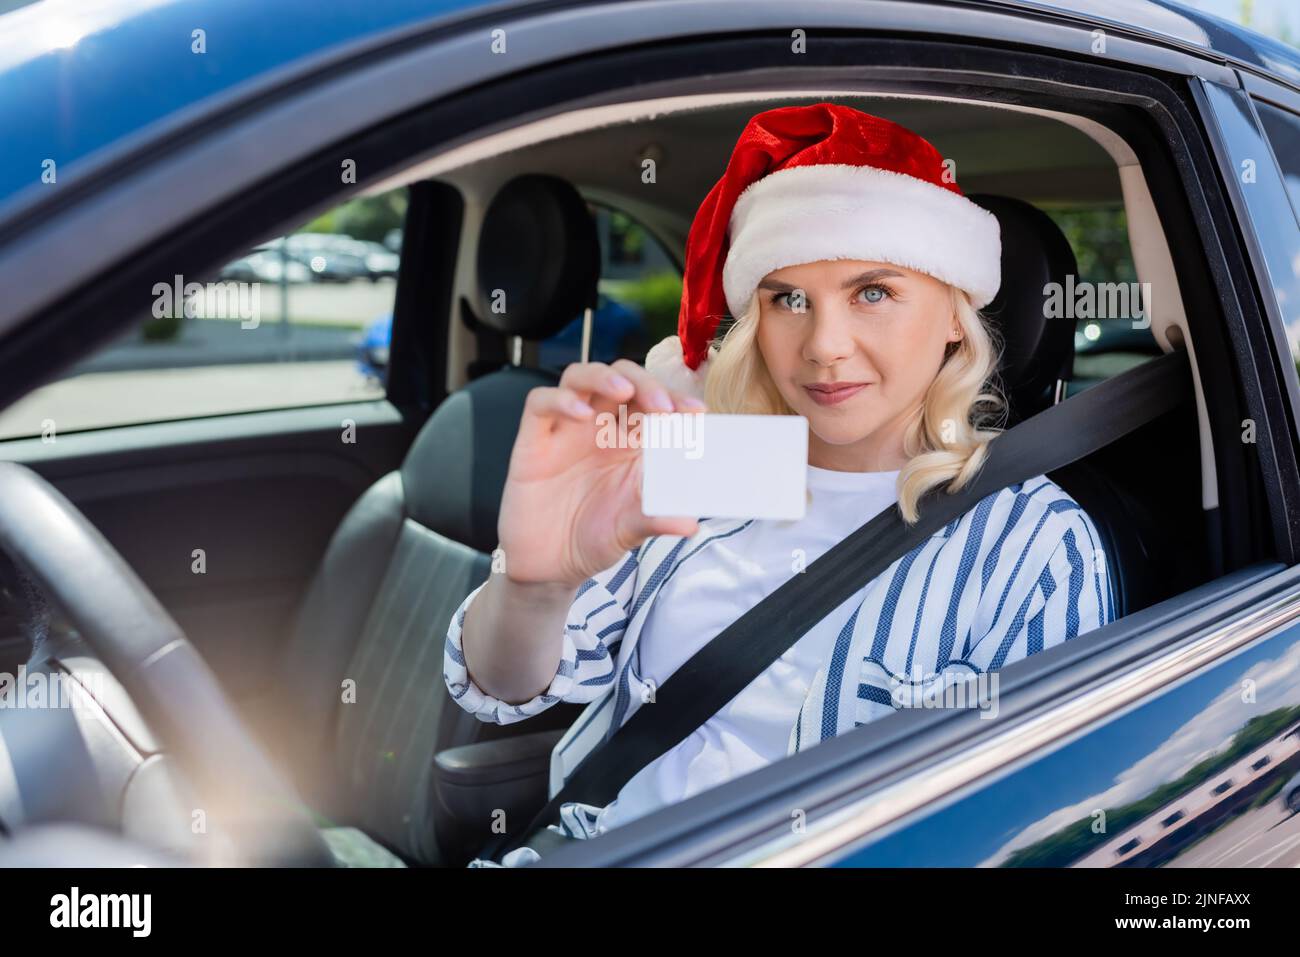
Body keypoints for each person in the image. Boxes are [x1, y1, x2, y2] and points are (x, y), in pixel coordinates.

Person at [443, 102, 1115, 866]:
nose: (824, 346)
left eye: (873, 292)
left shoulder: (1028, 541)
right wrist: (536, 583)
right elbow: (504, 686)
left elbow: (1017, 831)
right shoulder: (711, 463)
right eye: (788, 298)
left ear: (955, 317)